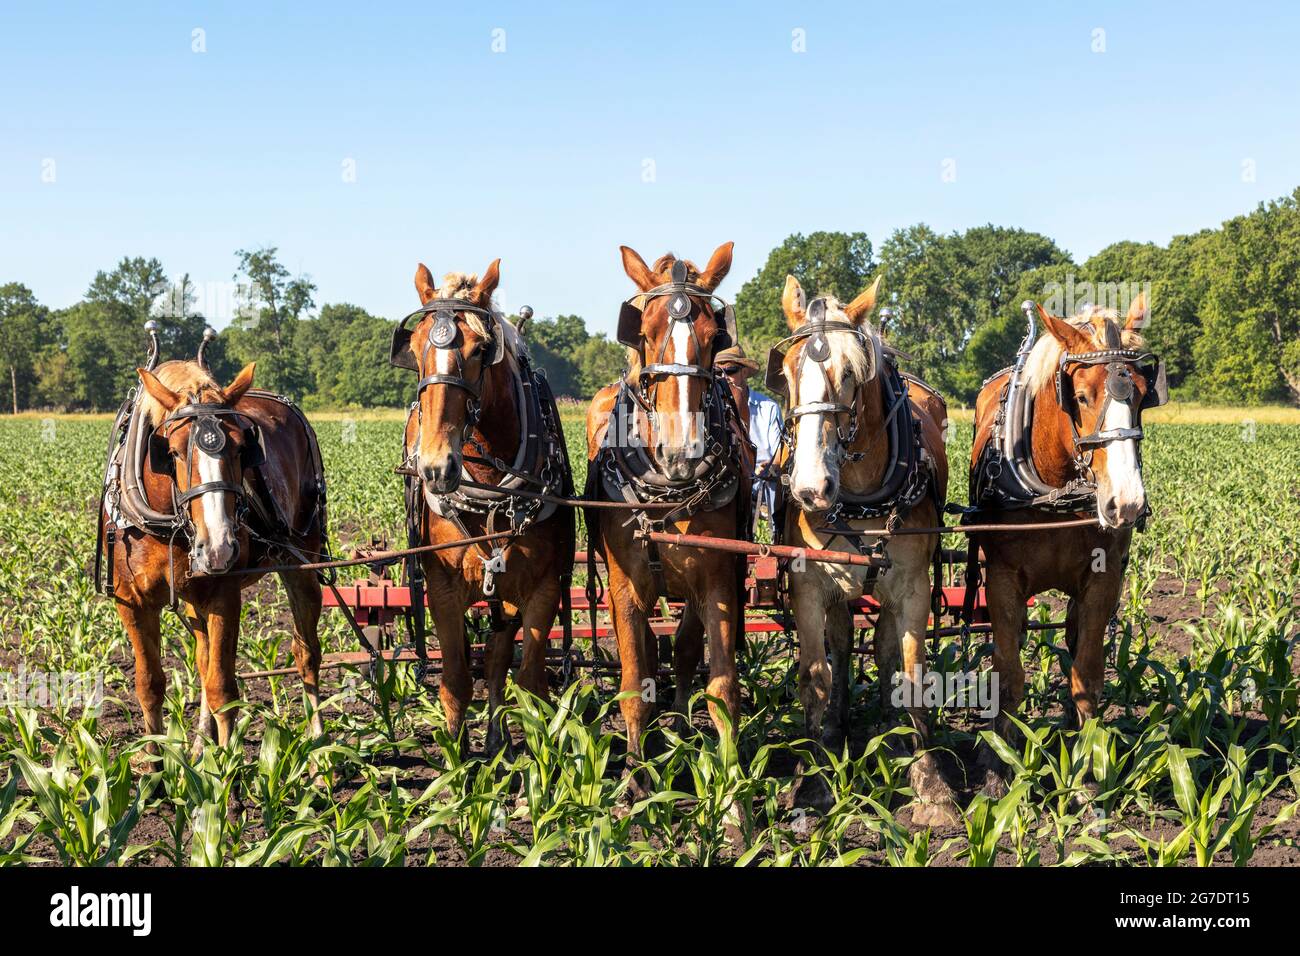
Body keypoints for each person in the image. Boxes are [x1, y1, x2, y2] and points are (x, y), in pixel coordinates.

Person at [715, 344, 783, 529]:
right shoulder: (710, 410)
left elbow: (780, 452)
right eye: (717, 372)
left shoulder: (768, 407)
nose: (723, 377)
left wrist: (770, 467)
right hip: (724, 483)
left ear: (744, 373)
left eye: (730, 370)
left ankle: (773, 533)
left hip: (761, 482)